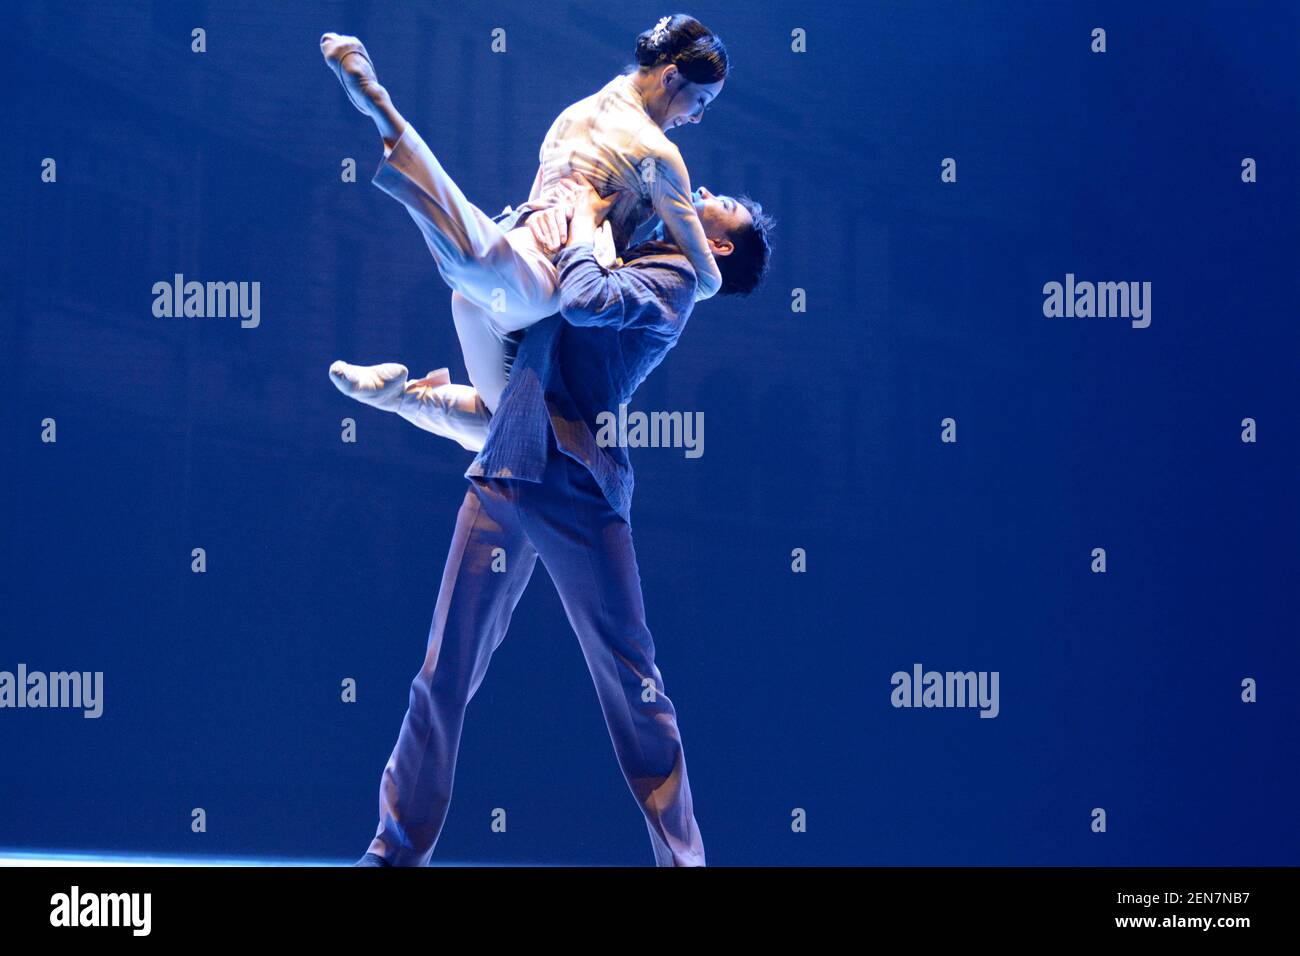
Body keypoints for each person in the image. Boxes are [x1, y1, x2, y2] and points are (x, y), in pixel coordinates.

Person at [319, 23, 775, 867]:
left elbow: (590, 300)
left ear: (716, 244)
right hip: (510, 456)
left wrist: (571, 240)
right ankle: (391, 853)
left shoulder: (675, 281)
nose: (701, 186)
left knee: (634, 691)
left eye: (719, 208)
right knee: (441, 675)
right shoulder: (637, 219)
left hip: (575, 477)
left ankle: (685, 862)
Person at [320, 14, 731, 424]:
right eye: (700, 102)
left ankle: (399, 396)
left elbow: (537, 206)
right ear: (671, 76)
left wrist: (550, 219)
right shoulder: (658, 153)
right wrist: (625, 263)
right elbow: (708, 279)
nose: (696, 118)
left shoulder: (574, 114)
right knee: (472, 271)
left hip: (500, 282)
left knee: (514, 427)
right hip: (540, 286)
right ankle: (384, 113)